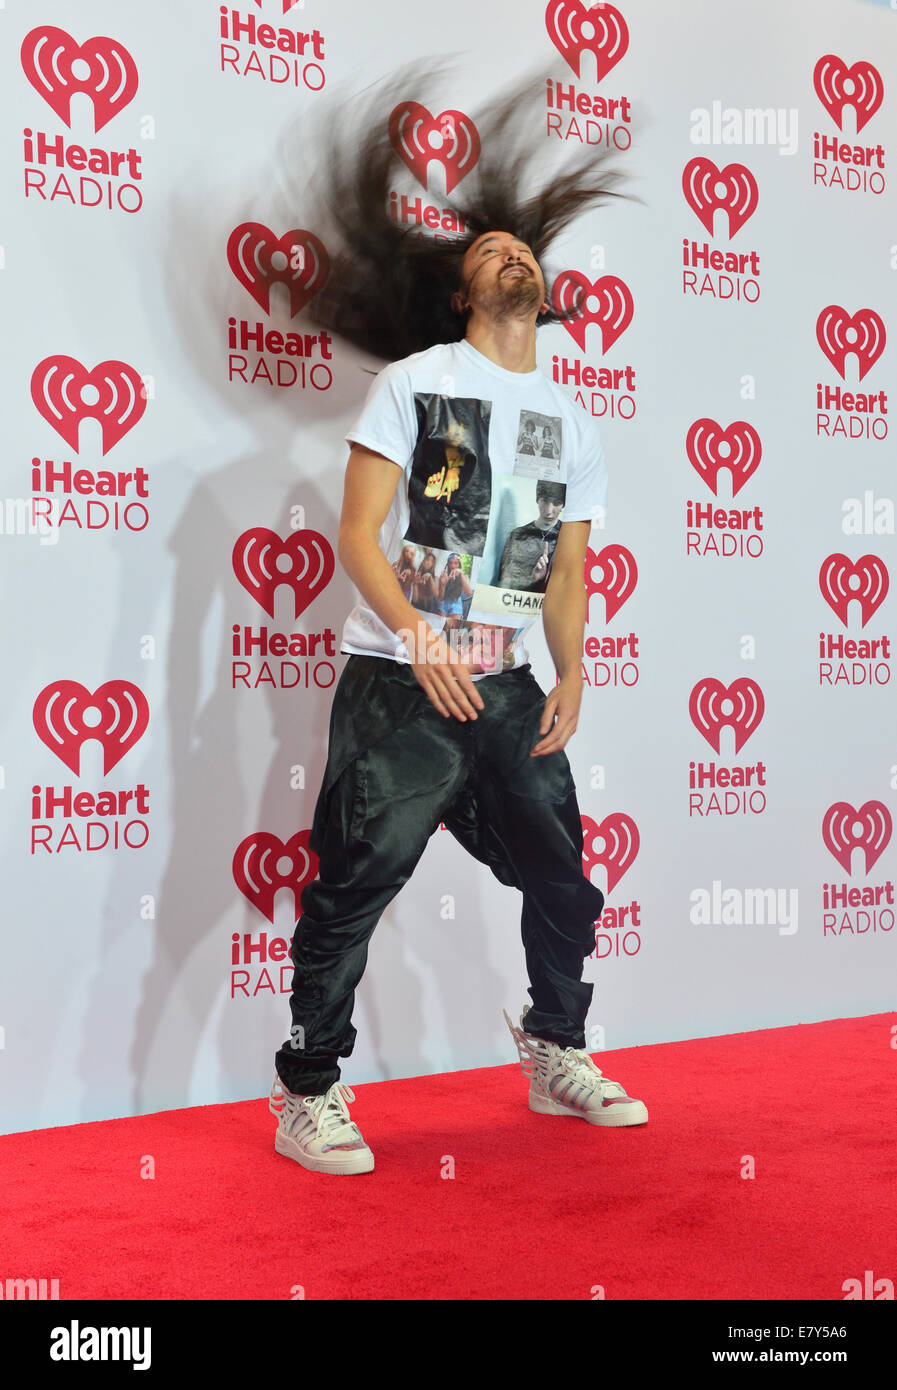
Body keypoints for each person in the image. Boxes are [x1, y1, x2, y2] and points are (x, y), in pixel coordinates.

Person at [268, 67, 648, 1174]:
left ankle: (554, 1049)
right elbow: (358, 535)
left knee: (566, 879)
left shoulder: (575, 422)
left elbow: (572, 568)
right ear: (459, 294)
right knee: (357, 878)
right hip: (401, 678)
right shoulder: (415, 382)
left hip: (509, 681)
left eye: (521, 250)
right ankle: (309, 1090)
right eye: (487, 253)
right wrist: (422, 639)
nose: (510, 256)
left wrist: (571, 672)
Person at [496, 481, 566, 593]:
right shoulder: (517, 535)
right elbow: (504, 583)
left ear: (563, 505)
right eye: (544, 501)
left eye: (556, 503)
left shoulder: (568, 535)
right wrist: (533, 579)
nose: (549, 512)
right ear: (537, 500)